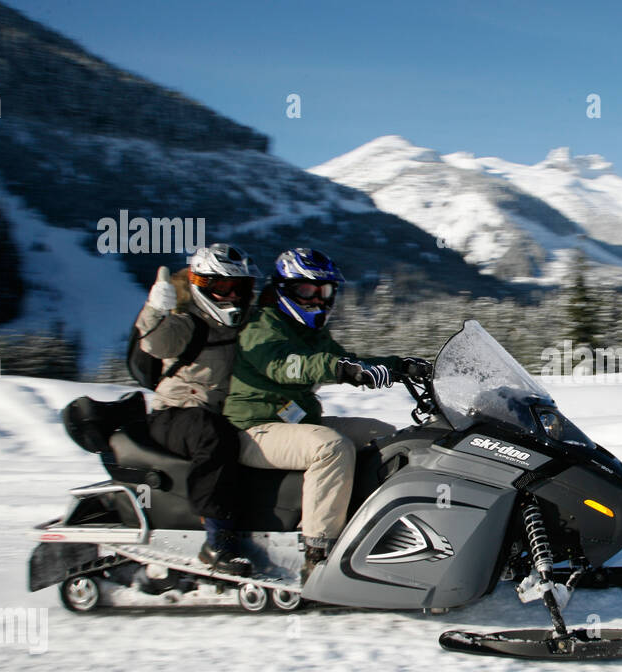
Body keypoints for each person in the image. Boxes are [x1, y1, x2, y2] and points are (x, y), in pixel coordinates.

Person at [222, 247, 431, 582]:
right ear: (284, 289)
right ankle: (319, 553)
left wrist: (400, 366)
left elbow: (349, 361)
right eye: (307, 291)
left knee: (388, 434)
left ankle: (374, 526)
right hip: (254, 429)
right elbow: (288, 366)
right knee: (332, 447)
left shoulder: (308, 331)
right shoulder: (262, 326)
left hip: (294, 421)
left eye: (324, 292)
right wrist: (338, 368)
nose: (317, 301)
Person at [134, 243, 260, 576]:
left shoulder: (242, 324)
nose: (231, 295)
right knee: (213, 435)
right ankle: (217, 542)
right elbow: (156, 343)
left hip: (215, 414)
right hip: (172, 414)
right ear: (202, 285)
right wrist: (156, 309)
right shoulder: (187, 323)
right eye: (221, 287)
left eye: (239, 287)